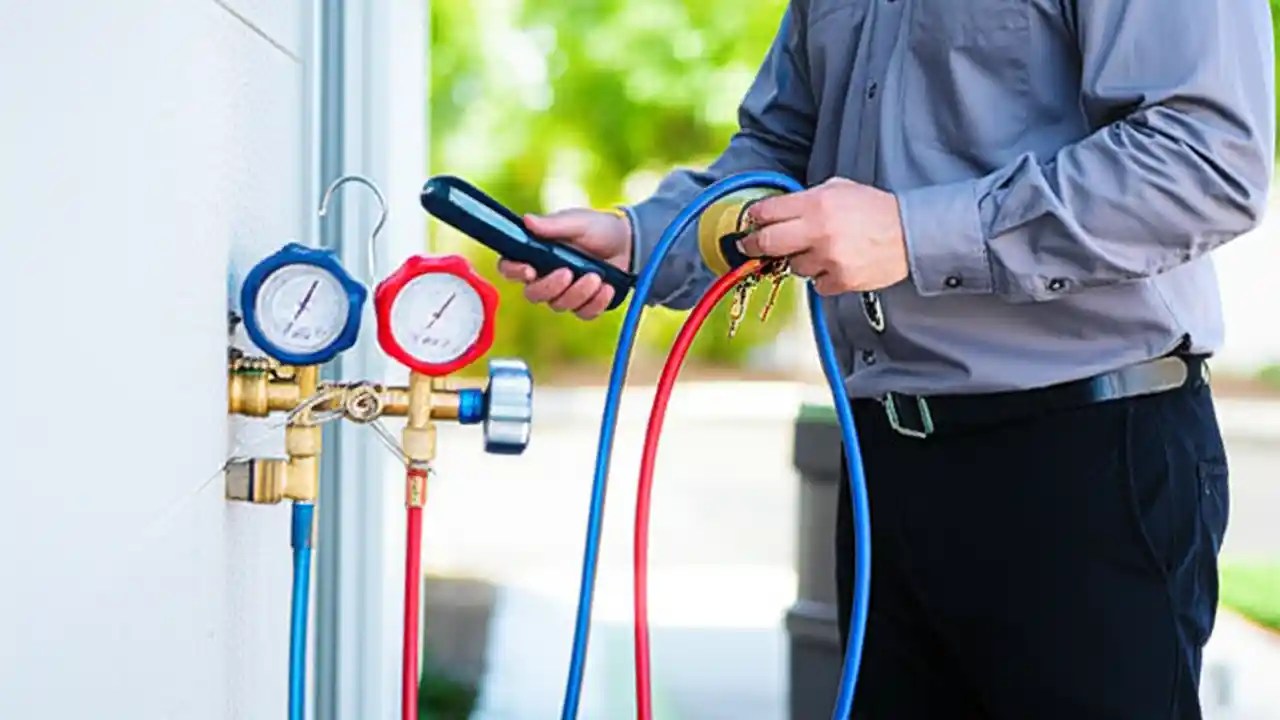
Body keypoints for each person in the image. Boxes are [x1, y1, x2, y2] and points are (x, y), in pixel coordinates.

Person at [497, 2, 1275, 718]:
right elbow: (781, 154)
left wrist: (911, 233)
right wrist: (644, 239)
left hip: (1087, 464)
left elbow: (1205, 161)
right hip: (886, 476)